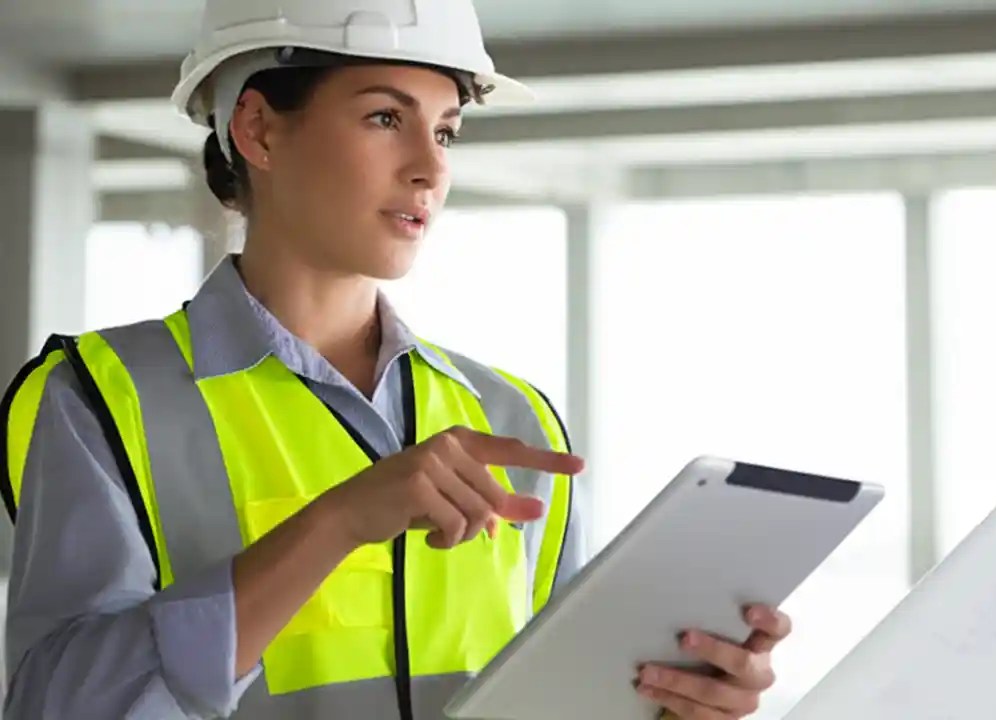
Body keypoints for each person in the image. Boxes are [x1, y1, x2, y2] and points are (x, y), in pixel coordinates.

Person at [0, 1, 792, 718]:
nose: (431, 167)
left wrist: (669, 705)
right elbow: (58, 708)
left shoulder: (511, 418)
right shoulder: (100, 399)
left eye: (446, 130)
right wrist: (338, 522)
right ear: (258, 130)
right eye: (386, 118)